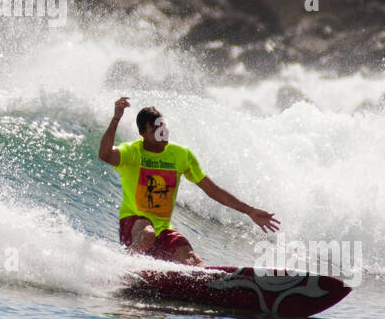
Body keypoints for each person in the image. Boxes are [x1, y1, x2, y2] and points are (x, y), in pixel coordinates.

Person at [97, 96, 280, 265]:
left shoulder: (181, 155)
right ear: (142, 133)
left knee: (194, 261)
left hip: (163, 229)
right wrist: (116, 119)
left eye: (164, 128)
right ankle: (124, 269)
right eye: (155, 130)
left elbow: (212, 190)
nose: (163, 133)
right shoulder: (132, 152)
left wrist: (250, 211)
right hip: (134, 226)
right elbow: (105, 154)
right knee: (147, 233)